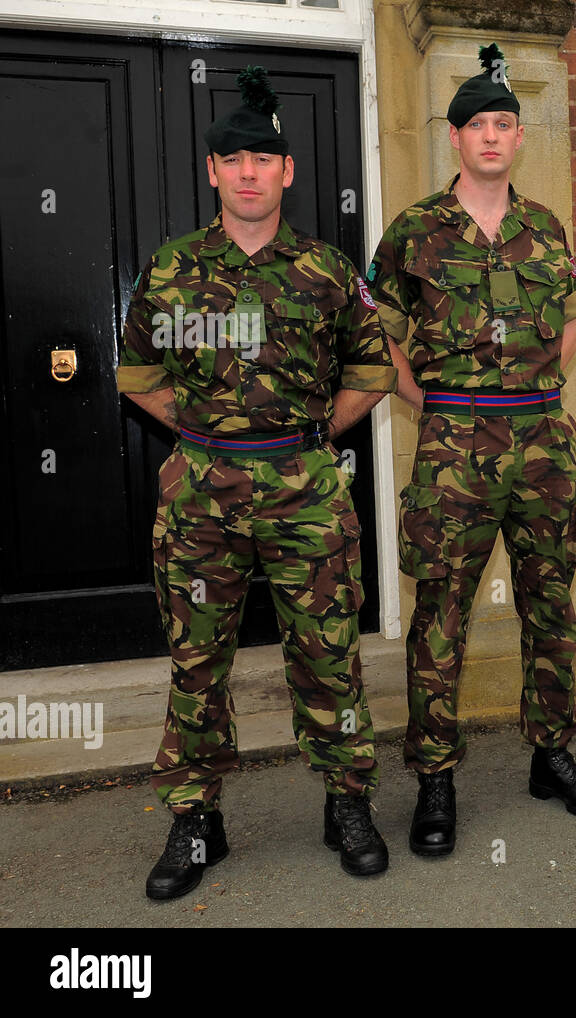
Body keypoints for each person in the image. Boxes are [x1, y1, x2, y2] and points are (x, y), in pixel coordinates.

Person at [117, 67, 397, 900]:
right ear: (212, 171)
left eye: (263, 159)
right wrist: (203, 439)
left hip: (306, 493)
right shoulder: (171, 271)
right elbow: (135, 375)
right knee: (197, 660)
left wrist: (310, 438)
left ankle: (347, 801)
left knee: (330, 655)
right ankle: (196, 820)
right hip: (201, 497)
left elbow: (375, 369)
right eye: (232, 159)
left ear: (286, 172)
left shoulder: (325, 271)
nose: (248, 172)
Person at [366, 43, 576, 859]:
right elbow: (376, 337)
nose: (494, 136)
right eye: (479, 125)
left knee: (550, 606)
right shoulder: (414, 233)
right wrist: (431, 400)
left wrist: (534, 390)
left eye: (506, 123)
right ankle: (436, 777)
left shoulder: (543, 226)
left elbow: (572, 324)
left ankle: (552, 754)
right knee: (440, 615)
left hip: (543, 441)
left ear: (515, 135)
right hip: (453, 447)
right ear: (456, 138)